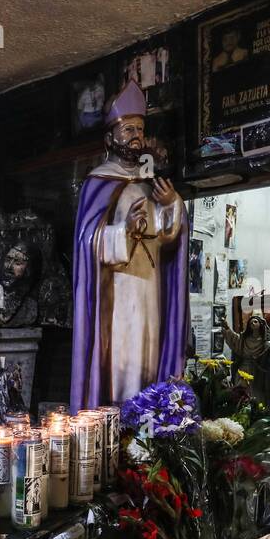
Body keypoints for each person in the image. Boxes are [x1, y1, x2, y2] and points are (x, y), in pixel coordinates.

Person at [71, 81, 188, 409]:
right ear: (110, 138)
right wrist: (123, 232)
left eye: (140, 128)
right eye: (128, 129)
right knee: (120, 361)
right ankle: (118, 423)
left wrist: (171, 205)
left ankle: (147, 427)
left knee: (148, 357)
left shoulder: (150, 184)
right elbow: (86, 243)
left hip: (150, 290)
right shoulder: (98, 182)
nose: (136, 135)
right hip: (117, 293)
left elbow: (168, 239)